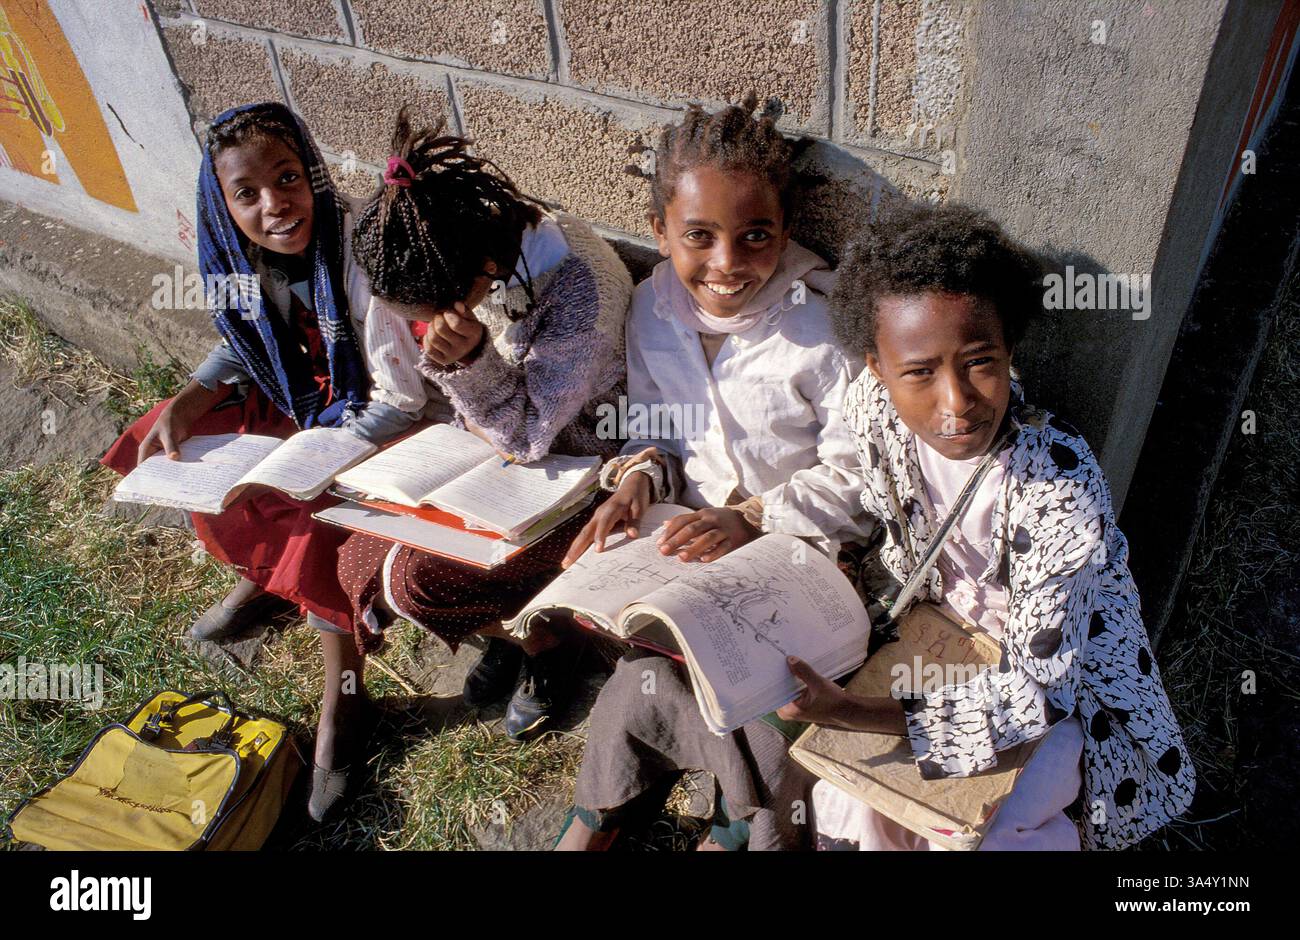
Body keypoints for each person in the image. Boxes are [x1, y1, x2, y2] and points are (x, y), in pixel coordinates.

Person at [777, 202, 1195, 850]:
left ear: (1009, 349)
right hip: (935, 643)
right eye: (919, 372)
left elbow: (1036, 698)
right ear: (876, 368)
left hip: (1053, 697)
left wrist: (854, 714)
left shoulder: (1058, 482)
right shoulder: (874, 412)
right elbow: (861, 496)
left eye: (980, 361)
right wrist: (754, 522)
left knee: (982, 830)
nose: (957, 401)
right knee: (864, 808)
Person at [554, 96, 871, 851]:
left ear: (785, 231)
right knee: (639, 688)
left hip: (805, 556)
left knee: (772, 701)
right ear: (661, 232)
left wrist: (755, 517)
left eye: (755, 236)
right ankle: (601, 813)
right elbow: (659, 432)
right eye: (700, 236)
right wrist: (639, 479)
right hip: (693, 547)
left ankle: (738, 819)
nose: (728, 263)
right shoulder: (651, 310)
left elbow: (859, 478)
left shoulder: (821, 325)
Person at [326, 110, 631, 812]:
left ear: (482, 274)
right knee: (356, 561)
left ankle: (549, 646)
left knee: (420, 582)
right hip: (502, 458)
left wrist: (466, 363)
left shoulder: (577, 290)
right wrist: (464, 372)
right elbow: (491, 423)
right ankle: (508, 628)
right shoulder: (485, 254)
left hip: (579, 478)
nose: (422, 331)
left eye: (430, 314)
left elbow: (530, 438)